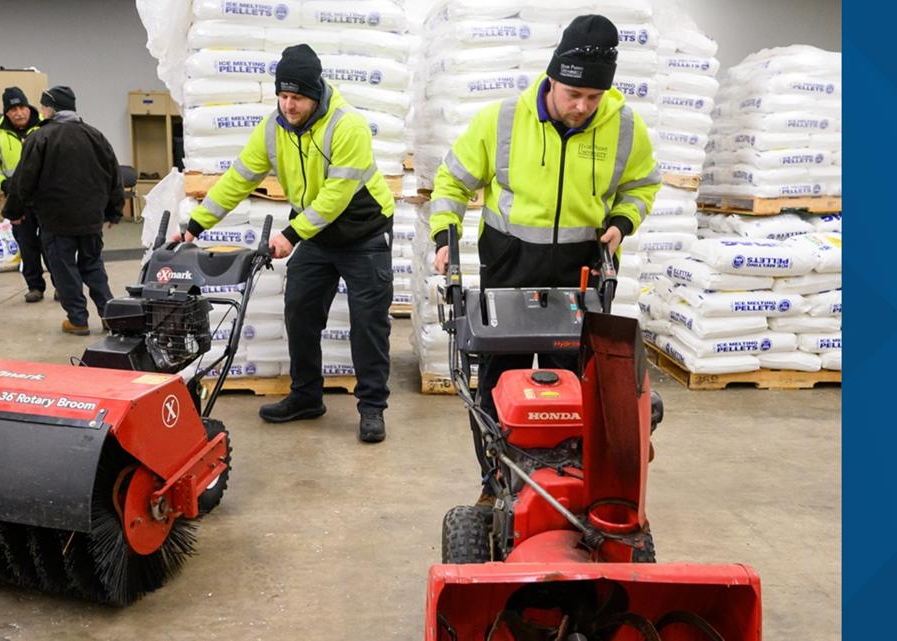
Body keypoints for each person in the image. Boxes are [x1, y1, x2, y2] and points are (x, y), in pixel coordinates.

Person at [428, 14, 661, 502]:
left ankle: (563, 484)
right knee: (496, 390)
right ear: (552, 77)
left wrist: (622, 221)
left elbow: (642, 185)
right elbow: (452, 182)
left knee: (574, 392)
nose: (581, 107)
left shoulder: (622, 128)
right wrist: (444, 238)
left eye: (593, 98)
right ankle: (496, 486)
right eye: (573, 95)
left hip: (578, 282)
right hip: (507, 275)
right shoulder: (503, 120)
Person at [182, 44, 395, 443]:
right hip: (315, 233)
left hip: (363, 231)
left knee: (368, 323)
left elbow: (336, 195)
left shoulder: (347, 126)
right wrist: (196, 224)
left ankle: (371, 409)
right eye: (282, 95)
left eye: (296, 97)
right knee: (299, 310)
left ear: (316, 93)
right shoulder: (272, 128)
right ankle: (306, 396)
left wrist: (292, 234)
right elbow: (238, 179)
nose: (288, 105)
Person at [3, 85, 124, 336]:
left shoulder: (40, 138)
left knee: (64, 267)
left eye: (44, 105)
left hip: (57, 220)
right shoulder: (96, 136)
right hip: (91, 219)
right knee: (93, 264)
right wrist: (114, 210)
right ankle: (109, 316)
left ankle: (78, 320)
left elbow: (23, 180)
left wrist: (14, 211)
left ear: (50, 108)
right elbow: (115, 175)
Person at [0, 87, 50, 303]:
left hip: (45, 196)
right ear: (6, 112)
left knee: (52, 243)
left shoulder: (45, 126)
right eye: (12, 109)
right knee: (26, 244)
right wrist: (3, 183)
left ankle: (61, 285)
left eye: (21, 107)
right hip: (17, 197)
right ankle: (35, 287)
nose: (18, 113)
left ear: (28, 107)